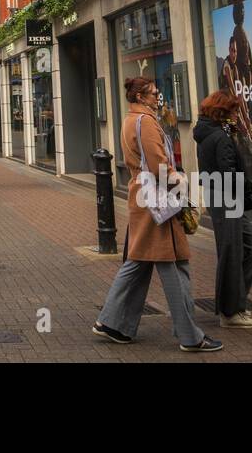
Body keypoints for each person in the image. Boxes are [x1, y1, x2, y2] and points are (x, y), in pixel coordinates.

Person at [93, 77, 221, 353]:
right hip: (157, 201)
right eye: (153, 93)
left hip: (143, 198)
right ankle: (190, 336)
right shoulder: (146, 122)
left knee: (138, 262)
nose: (157, 96)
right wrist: (182, 184)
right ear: (140, 96)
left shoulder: (130, 119)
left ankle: (113, 323)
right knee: (175, 264)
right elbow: (158, 164)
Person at [194, 90, 252, 329]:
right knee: (232, 252)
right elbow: (228, 172)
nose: (235, 114)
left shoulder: (211, 133)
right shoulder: (219, 137)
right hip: (226, 197)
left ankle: (235, 301)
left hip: (221, 196)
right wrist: (246, 190)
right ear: (222, 112)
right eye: (232, 111)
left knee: (250, 246)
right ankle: (231, 311)